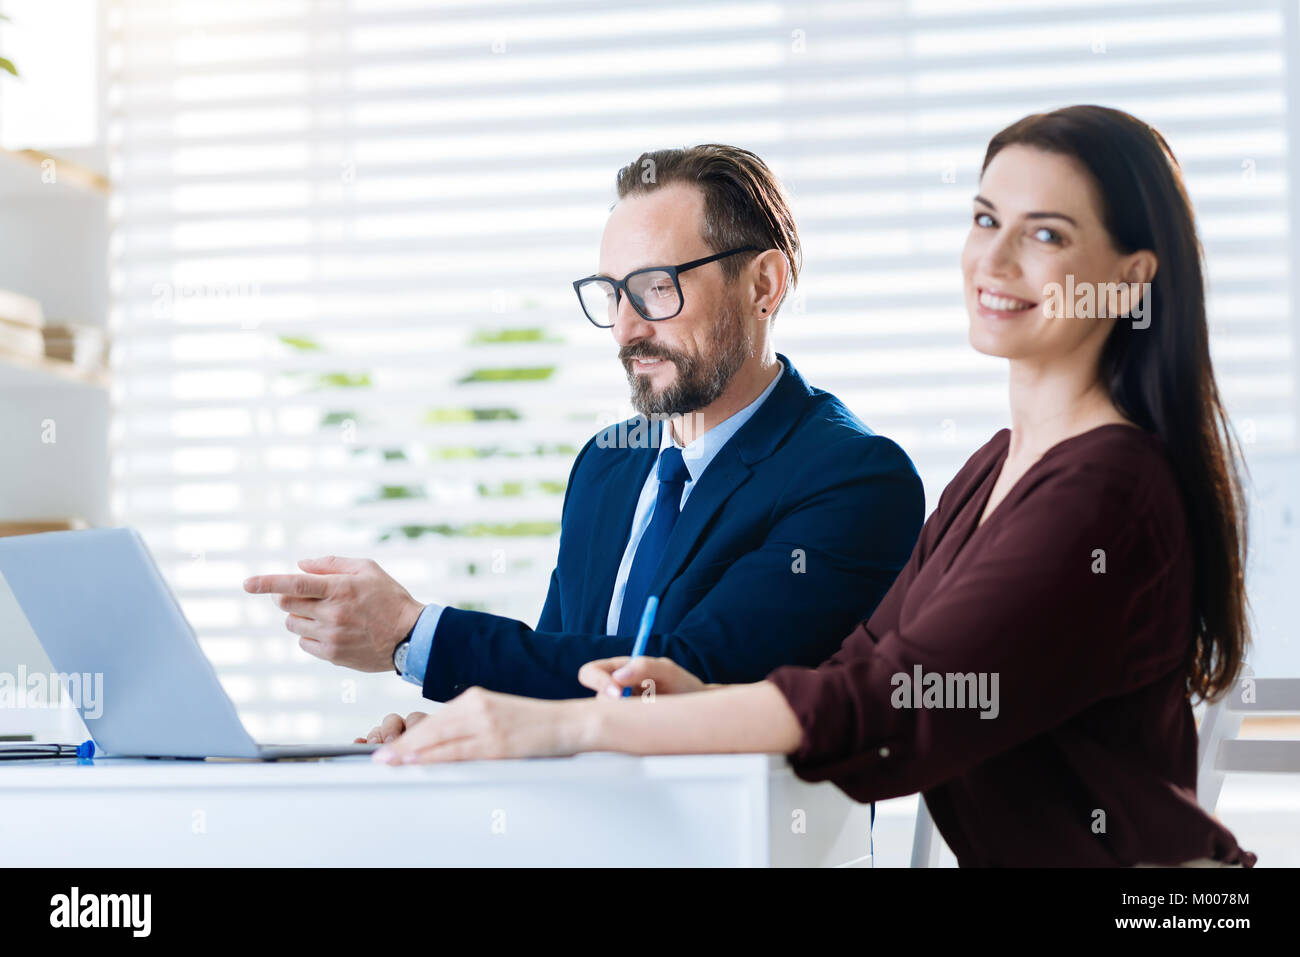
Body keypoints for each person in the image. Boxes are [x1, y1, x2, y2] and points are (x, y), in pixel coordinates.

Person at [369, 107, 1259, 868]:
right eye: (986, 219)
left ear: (1132, 279)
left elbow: (889, 706)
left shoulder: (1106, 491)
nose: (995, 260)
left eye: (1047, 234)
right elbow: (857, 669)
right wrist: (667, 696)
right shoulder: (996, 465)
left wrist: (559, 725)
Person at [244, 144, 924, 714]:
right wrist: (462, 733)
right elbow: (554, 684)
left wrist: (412, 632)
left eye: (657, 287)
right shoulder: (608, 464)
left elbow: (683, 677)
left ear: (763, 285)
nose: (627, 328)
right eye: (611, 294)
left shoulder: (854, 479)